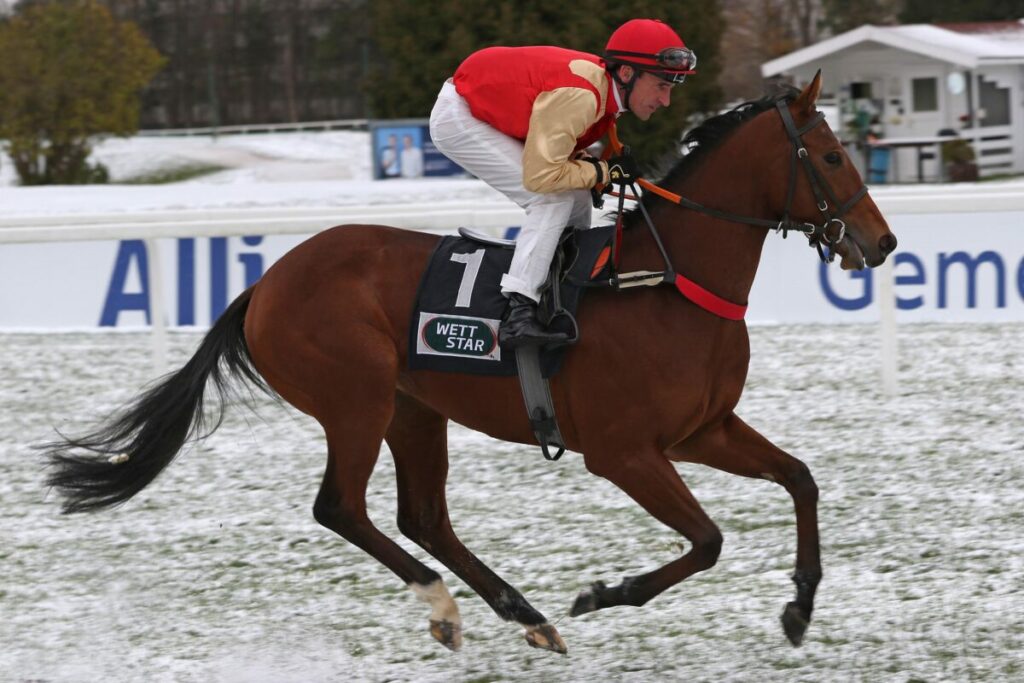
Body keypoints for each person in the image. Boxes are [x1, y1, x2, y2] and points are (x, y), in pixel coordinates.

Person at [428, 19, 696, 348]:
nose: (666, 101)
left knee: (578, 199)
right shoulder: (581, 97)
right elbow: (541, 177)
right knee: (552, 198)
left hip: (486, 106)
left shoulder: (605, 93)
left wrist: (595, 173)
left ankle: (565, 290)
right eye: (661, 86)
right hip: (460, 117)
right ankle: (519, 311)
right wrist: (603, 173)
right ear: (627, 73)